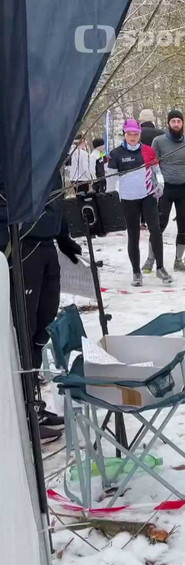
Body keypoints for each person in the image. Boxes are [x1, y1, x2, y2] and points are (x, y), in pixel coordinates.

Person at [1, 174, 82, 443]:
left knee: (42, 328)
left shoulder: (48, 150)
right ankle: (23, 413)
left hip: (47, 247)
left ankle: (34, 405)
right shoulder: (12, 147)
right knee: (23, 330)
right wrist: (20, 229)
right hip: (21, 246)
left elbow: (55, 200)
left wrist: (63, 235)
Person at [106, 119, 171, 286]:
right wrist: (110, 200)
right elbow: (111, 180)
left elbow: (157, 171)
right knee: (133, 235)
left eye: (135, 134)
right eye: (129, 134)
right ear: (124, 134)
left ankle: (160, 268)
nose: (133, 137)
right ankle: (136, 272)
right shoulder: (115, 154)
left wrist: (161, 184)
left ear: (139, 134)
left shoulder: (148, 151)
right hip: (128, 199)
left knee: (155, 231)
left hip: (148, 195)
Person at [145, 109, 185, 274]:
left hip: (184, 188)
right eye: (173, 121)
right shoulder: (158, 141)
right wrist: (154, 186)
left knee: (183, 225)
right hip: (165, 189)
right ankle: (150, 259)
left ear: (183, 123)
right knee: (159, 225)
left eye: (179, 121)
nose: (176, 124)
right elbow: (152, 165)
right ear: (168, 123)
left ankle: (179, 260)